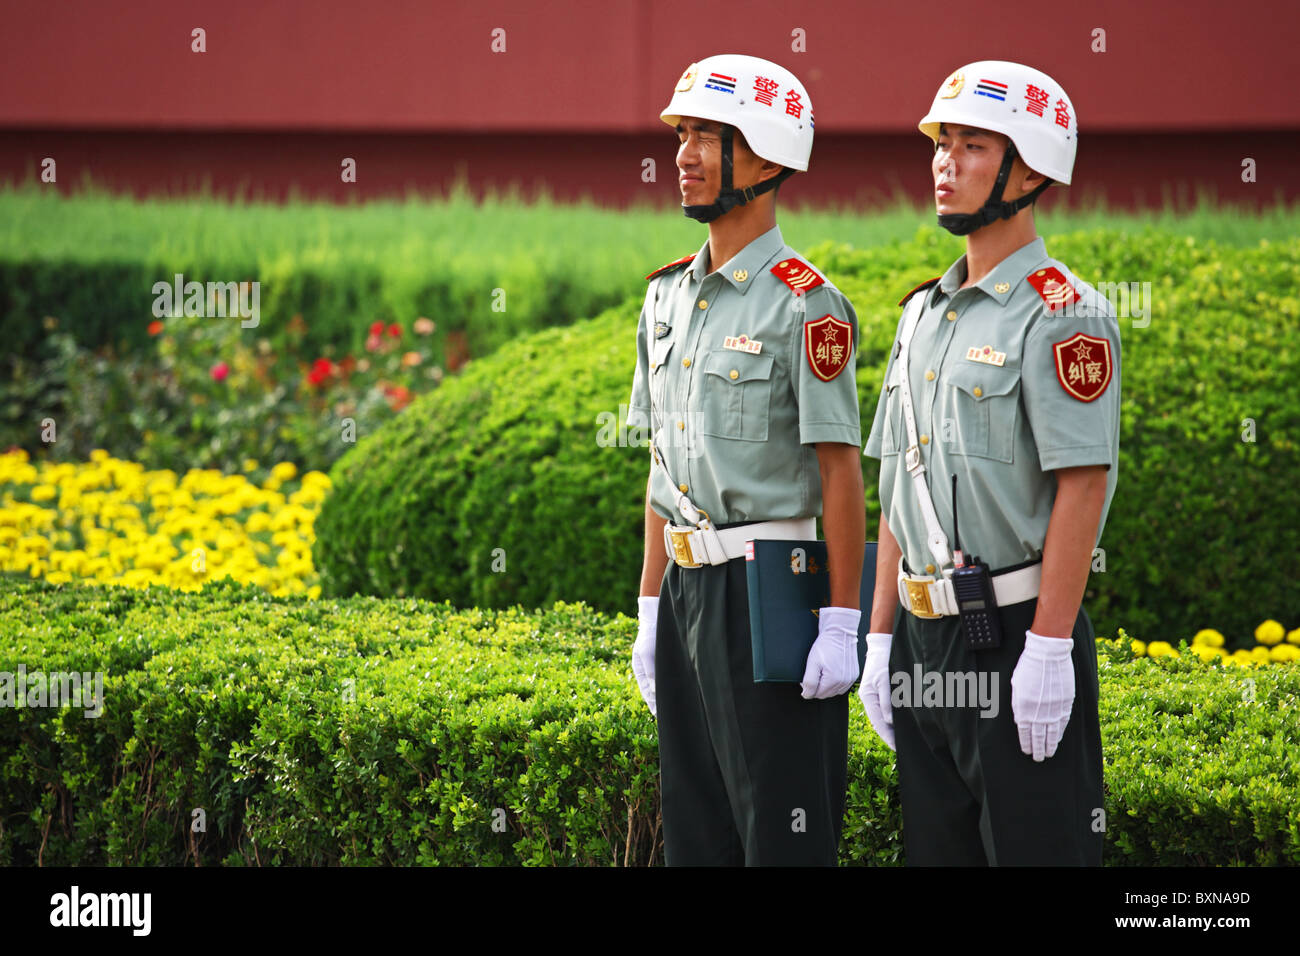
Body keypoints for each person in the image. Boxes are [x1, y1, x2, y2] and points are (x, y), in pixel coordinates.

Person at [858, 60, 1120, 866]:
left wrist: (1046, 650)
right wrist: (877, 639)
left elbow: (1084, 481)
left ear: (1030, 168)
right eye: (941, 145)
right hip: (922, 639)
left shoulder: (1064, 313)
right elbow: (900, 488)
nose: (944, 162)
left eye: (972, 146)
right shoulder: (920, 316)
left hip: (1012, 633)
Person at [626, 53, 865, 866]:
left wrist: (840, 620)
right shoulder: (664, 298)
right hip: (689, 587)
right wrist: (650, 605)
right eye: (682, 134)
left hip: (772, 588)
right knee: (696, 834)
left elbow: (840, 472)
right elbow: (662, 472)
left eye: (709, 136)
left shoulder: (807, 304)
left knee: (782, 834)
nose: (684, 154)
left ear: (765, 159)